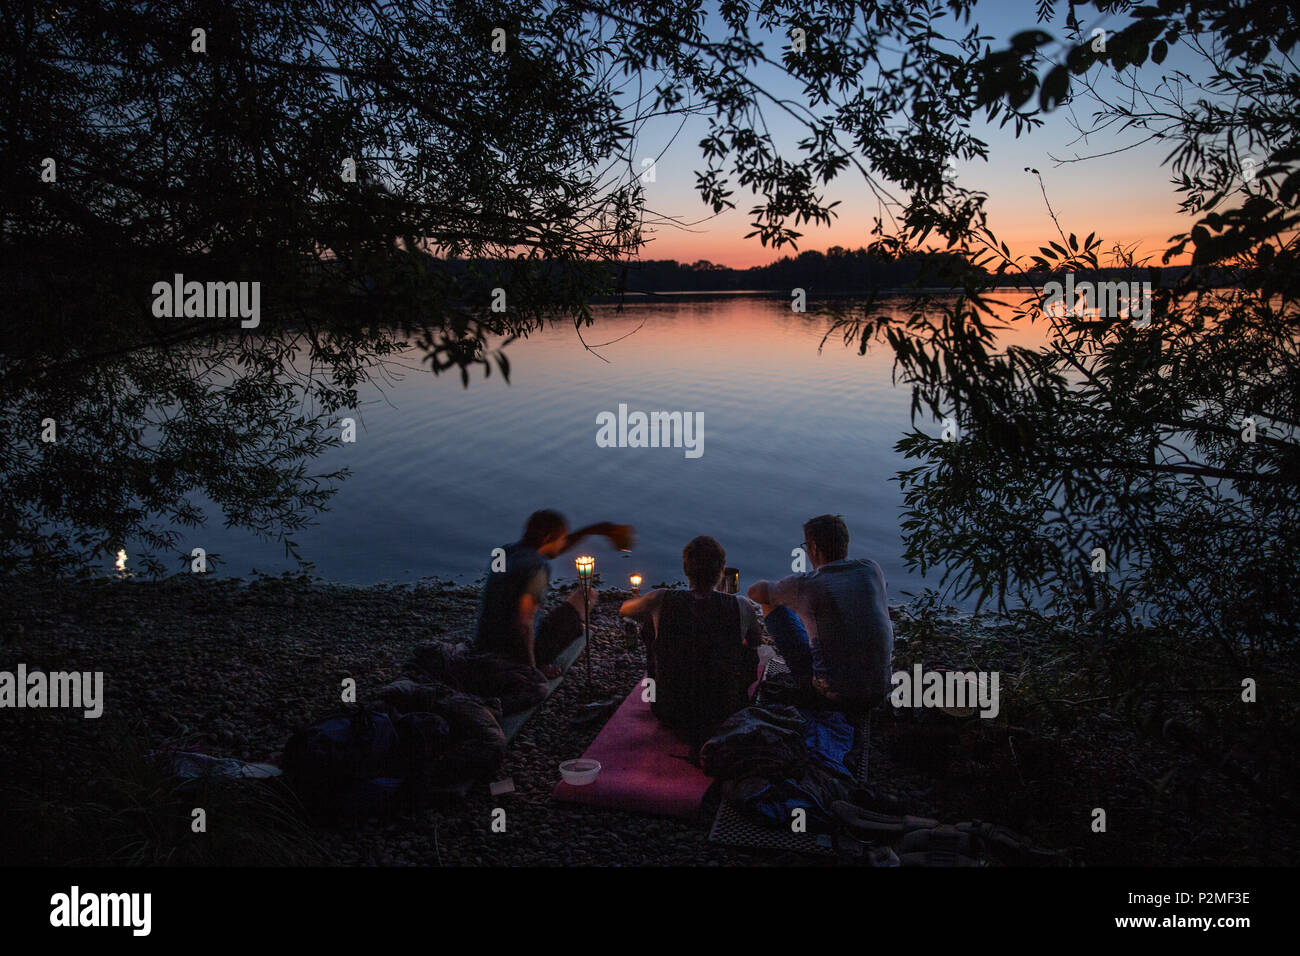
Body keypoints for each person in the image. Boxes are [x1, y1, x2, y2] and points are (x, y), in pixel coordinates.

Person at [620, 536, 762, 748]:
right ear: (721, 569)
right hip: (725, 711)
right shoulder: (741, 605)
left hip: (669, 711)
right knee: (758, 651)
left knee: (651, 627)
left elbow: (625, 609)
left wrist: (652, 613)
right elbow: (754, 641)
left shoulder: (660, 598)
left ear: (686, 569)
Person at [747, 514, 893, 709]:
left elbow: (755, 592)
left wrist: (788, 592)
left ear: (814, 548)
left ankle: (811, 690)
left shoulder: (807, 584)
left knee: (772, 603)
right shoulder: (871, 569)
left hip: (832, 696)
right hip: (880, 690)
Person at [476, 510, 635, 679]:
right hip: (513, 655)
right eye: (562, 539)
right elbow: (523, 624)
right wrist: (531, 669)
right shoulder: (536, 568)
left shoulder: (505, 552)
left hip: (484, 643)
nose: (563, 544)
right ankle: (534, 661)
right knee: (587, 595)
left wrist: (594, 530)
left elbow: (554, 549)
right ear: (548, 538)